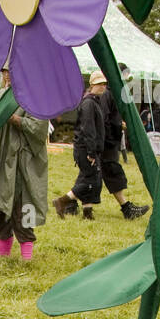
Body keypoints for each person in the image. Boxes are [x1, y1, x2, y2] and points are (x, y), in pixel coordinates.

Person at [0, 67, 49, 261]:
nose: (7, 76)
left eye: (11, 71)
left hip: (23, 161)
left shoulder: (35, 96)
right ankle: (2, 248)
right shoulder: (0, 95)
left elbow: (39, 129)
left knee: (22, 205)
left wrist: (14, 119)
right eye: (4, 72)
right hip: (0, 160)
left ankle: (27, 254)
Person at [53, 71, 106, 222]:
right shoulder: (89, 103)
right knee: (91, 180)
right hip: (86, 149)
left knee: (88, 178)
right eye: (99, 84)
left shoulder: (93, 101)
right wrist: (91, 152)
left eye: (104, 84)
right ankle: (63, 201)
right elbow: (88, 129)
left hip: (86, 148)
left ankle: (87, 213)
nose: (103, 87)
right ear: (92, 85)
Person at [98, 68, 149, 220]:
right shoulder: (107, 94)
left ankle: (67, 200)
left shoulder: (115, 93)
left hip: (110, 139)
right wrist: (118, 126)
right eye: (125, 75)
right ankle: (127, 208)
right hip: (107, 141)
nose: (126, 79)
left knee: (93, 176)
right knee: (110, 173)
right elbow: (104, 119)